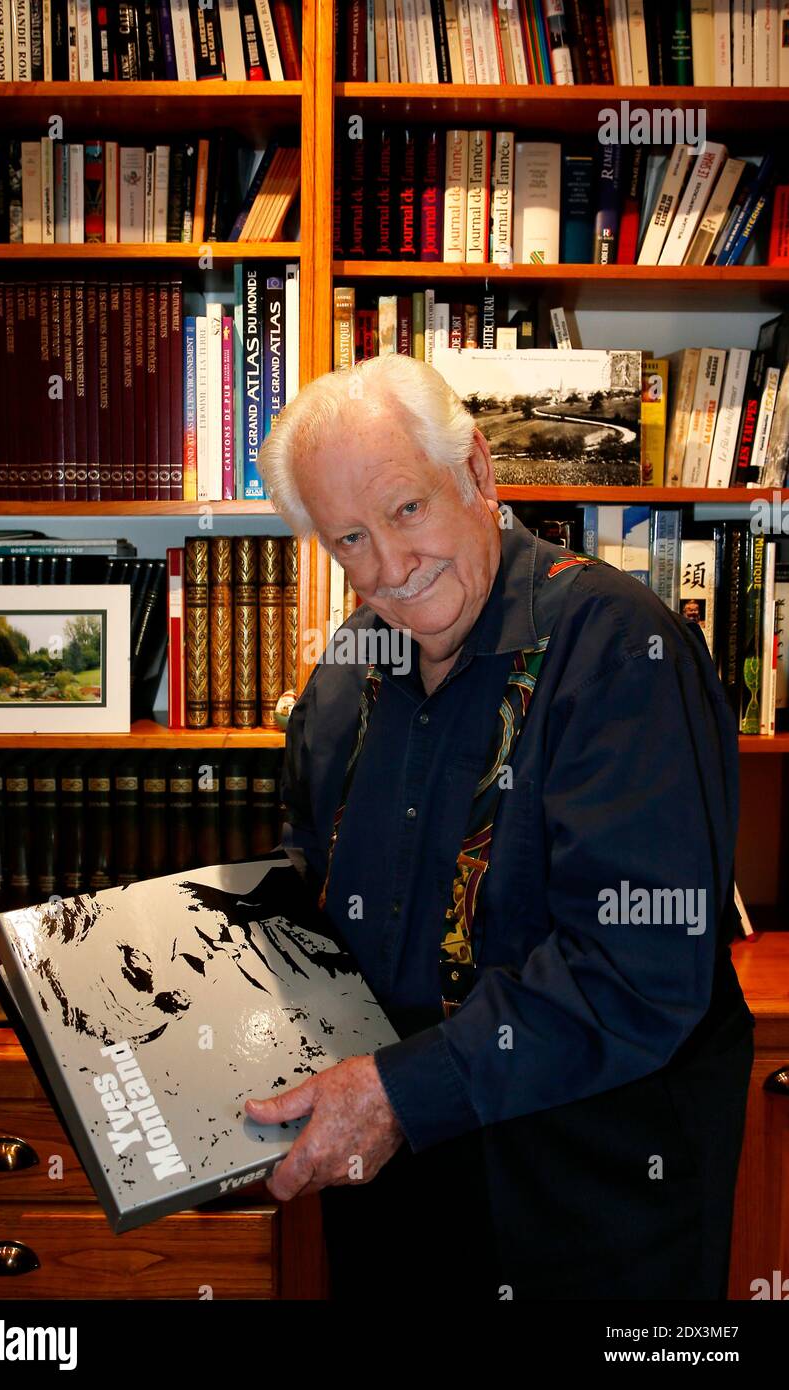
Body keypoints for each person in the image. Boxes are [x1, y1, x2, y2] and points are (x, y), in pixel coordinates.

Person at [245, 352, 755, 1301]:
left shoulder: (620, 648)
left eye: (406, 511)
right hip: (398, 1187)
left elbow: (636, 970)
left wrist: (396, 1094)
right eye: (349, 538)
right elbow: (316, 867)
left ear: (476, 474)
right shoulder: (352, 661)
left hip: (583, 1201)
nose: (390, 570)